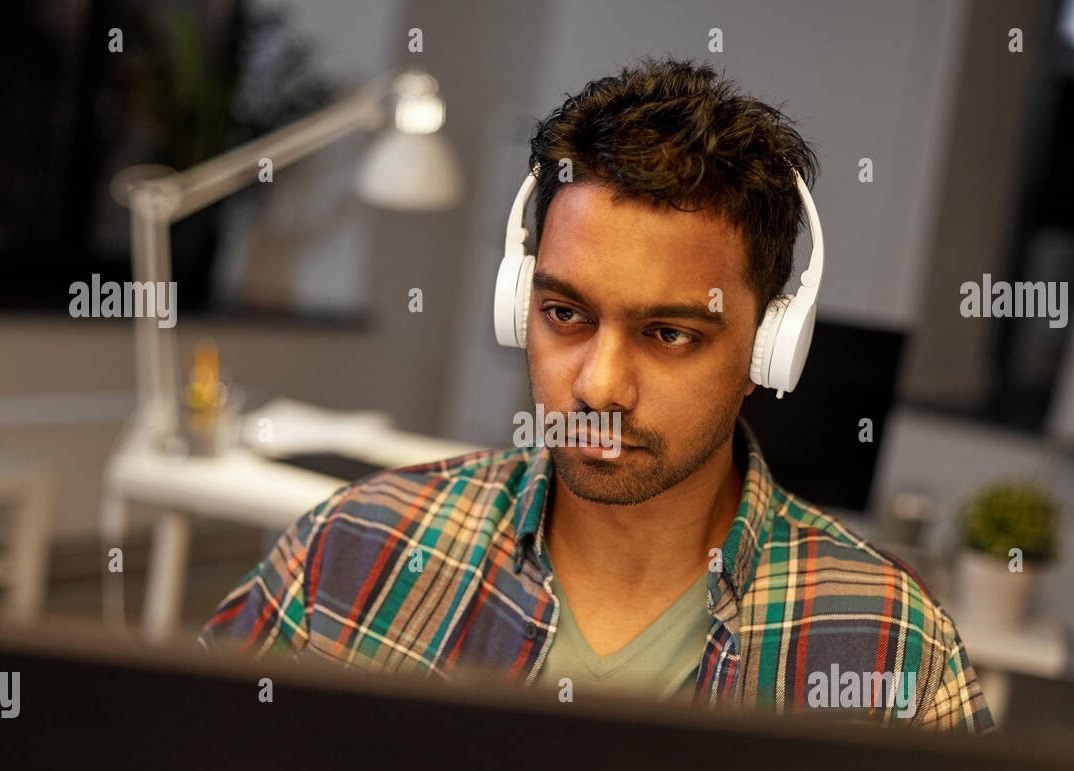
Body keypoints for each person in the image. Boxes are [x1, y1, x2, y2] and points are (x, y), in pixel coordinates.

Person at [199, 56, 993, 734]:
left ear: (771, 351)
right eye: (566, 315)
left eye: (670, 333)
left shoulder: (889, 648)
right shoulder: (352, 550)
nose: (599, 385)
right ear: (520, 310)